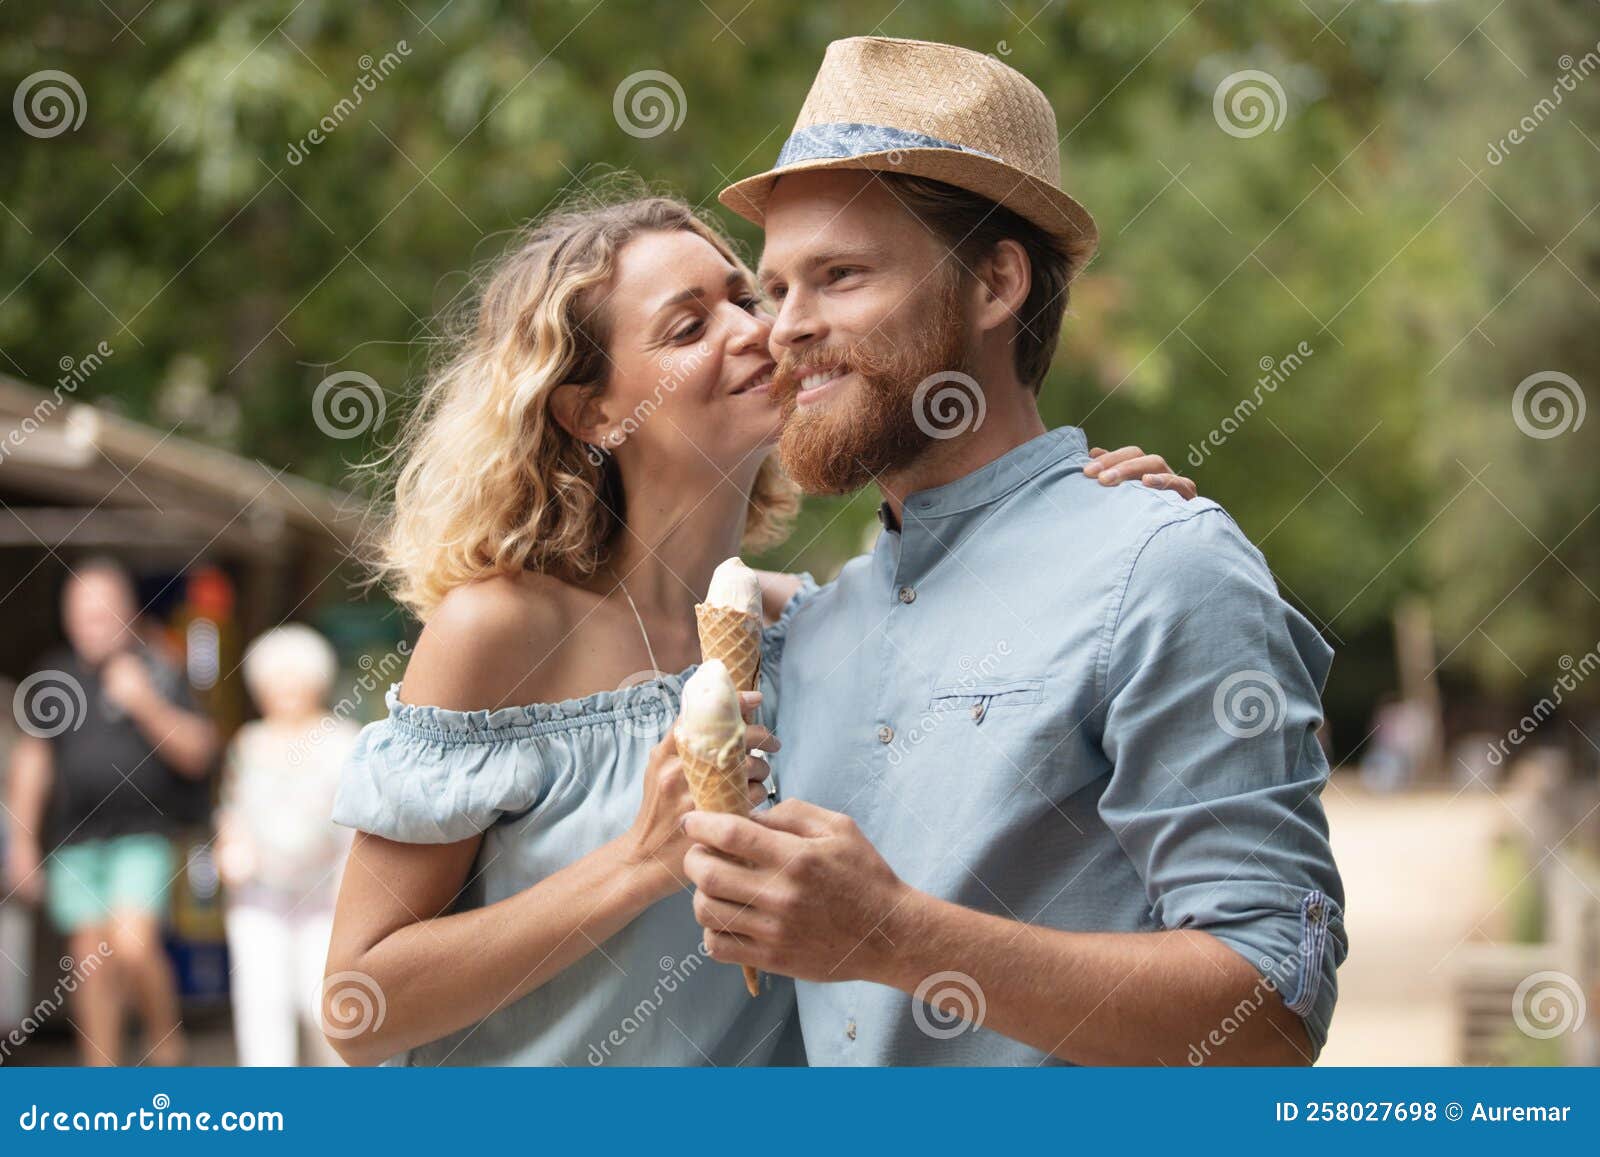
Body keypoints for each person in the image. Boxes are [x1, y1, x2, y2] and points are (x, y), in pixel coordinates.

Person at [324, 185, 1191, 1065]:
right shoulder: (498, 631)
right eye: (687, 327)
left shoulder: (819, 628)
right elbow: (357, 1008)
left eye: (746, 298)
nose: (759, 330)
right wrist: (637, 861)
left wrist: (1087, 512)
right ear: (588, 410)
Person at [682, 37, 1348, 1066]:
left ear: (994, 283)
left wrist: (896, 934)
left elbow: (1271, 1009)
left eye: (839, 276)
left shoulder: (1164, 568)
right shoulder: (804, 633)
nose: (784, 329)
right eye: (774, 290)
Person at [3, 558, 218, 1065]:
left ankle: (166, 1041)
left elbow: (200, 751)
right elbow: (31, 767)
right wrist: (20, 844)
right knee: (90, 964)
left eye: (102, 613)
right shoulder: (53, 674)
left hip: (142, 833)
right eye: (81, 613)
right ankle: (103, 1077)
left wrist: (144, 703)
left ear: (126, 613)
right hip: (74, 841)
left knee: (133, 943)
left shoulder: (160, 669)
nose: (91, 624)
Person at [216, 624, 356, 1066]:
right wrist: (229, 848)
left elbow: (356, 827)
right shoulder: (248, 742)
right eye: (277, 678)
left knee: (328, 1013)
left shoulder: (344, 740)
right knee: (262, 1011)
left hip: (326, 903)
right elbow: (232, 810)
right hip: (258, 898)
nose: (287, 688)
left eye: (297, 676)